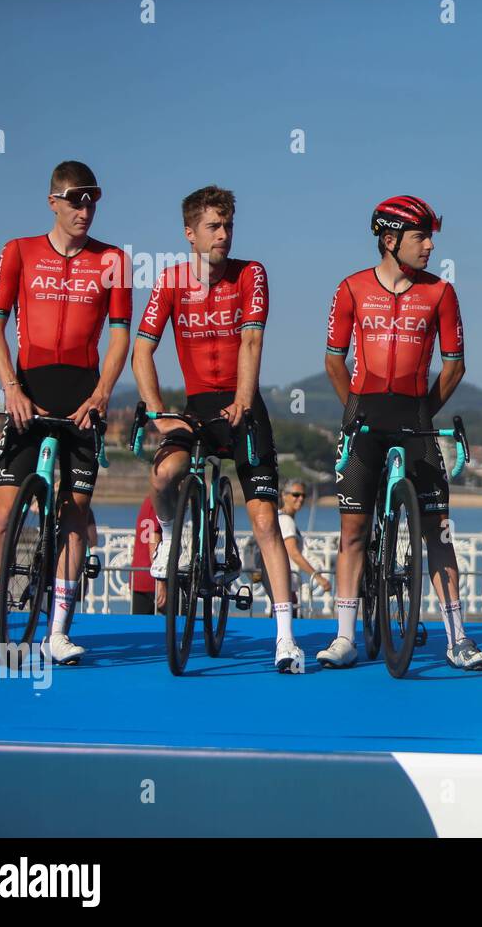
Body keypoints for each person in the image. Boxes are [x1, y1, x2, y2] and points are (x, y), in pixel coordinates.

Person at [0, 160, 130, 666]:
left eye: (93, 199)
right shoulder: (19, 251)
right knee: (3, 514)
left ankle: (57, 632)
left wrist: (102, 394)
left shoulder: (114, 260)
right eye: (75, 199)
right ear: (53, 201)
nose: (85, 209)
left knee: (74, 516)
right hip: (27, 392)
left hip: (82, 397)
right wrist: (10, 388)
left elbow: (120, 335)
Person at [132, 185, 305, 672]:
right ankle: (172, 538)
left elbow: (251, 341)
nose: (224, 235)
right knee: (163, 475)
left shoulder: (251, 274)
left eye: (228, 225)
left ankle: (286, 638)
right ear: (190, 233)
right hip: (196, 407)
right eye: (213, 226)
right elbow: (142, 351)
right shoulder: (170, 281)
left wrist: (243, 400)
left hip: (243, 404)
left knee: (265, 521)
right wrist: (156, 411)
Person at [319, 195, 482, 670]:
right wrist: (354, 410)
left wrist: (423, 414)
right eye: (421, 237)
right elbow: (333, 361)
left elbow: (454, 367)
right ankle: (344, 637)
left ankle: (458, 638)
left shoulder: (440, 293)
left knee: (439, 530)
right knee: (352, 530)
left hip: (416, 420)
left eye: (430, 237)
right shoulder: (351, 288)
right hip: (365, 419)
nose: (430, 246)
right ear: (390, 240)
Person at [259, 480, 330, 610]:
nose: (300, 498)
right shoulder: (286, 521)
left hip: (278, 583)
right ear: (284, 495)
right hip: (287, 583)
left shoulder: (277, 517)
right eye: (296, 494)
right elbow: (293, 553)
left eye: (303, 495)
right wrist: (318, 577)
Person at [131, 495, 165, 615]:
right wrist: (160, 580)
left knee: (141, 624)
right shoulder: (162, 501)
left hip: (140, 574)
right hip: (154, 576)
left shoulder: (150, 500)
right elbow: (153, 539)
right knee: (180, 621)